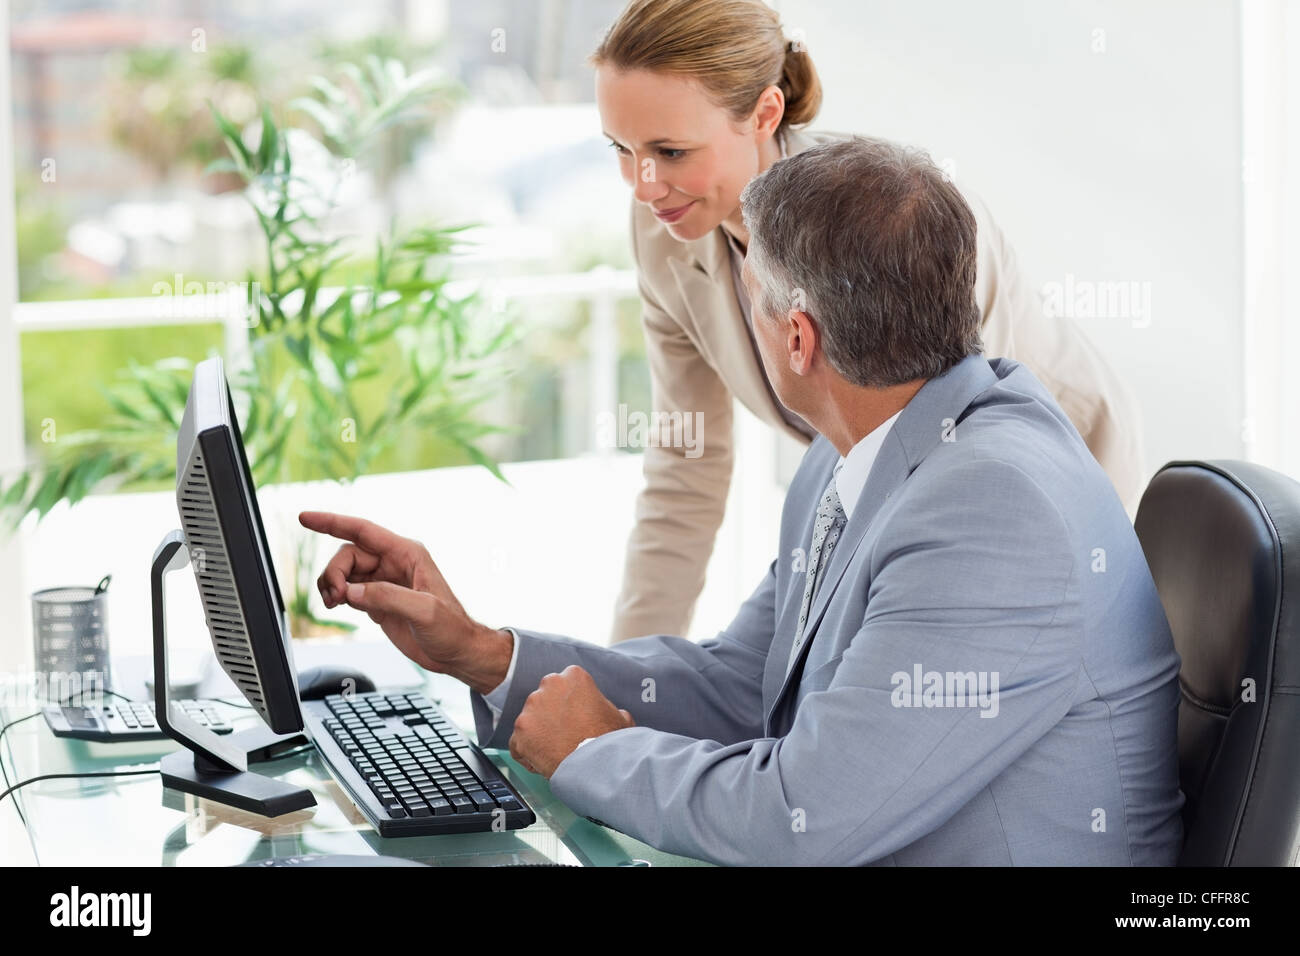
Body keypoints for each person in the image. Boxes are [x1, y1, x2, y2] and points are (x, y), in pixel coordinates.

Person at [299, 137, 1184, 866]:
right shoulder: (862, 452)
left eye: (753, 297)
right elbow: (741, 685)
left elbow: (803, 818)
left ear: (798, 338)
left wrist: (591, 751)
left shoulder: (993, 510)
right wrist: (488, 656)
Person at [591, 0, 1146, 643]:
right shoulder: (664, 235)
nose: (643, 184)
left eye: (670, 150)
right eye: (621, 149)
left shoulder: (895, 218)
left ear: (765, 114)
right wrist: (627, 678)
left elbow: (960, 454)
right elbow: (685, 466)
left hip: (1040, 464)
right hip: (908, 479)